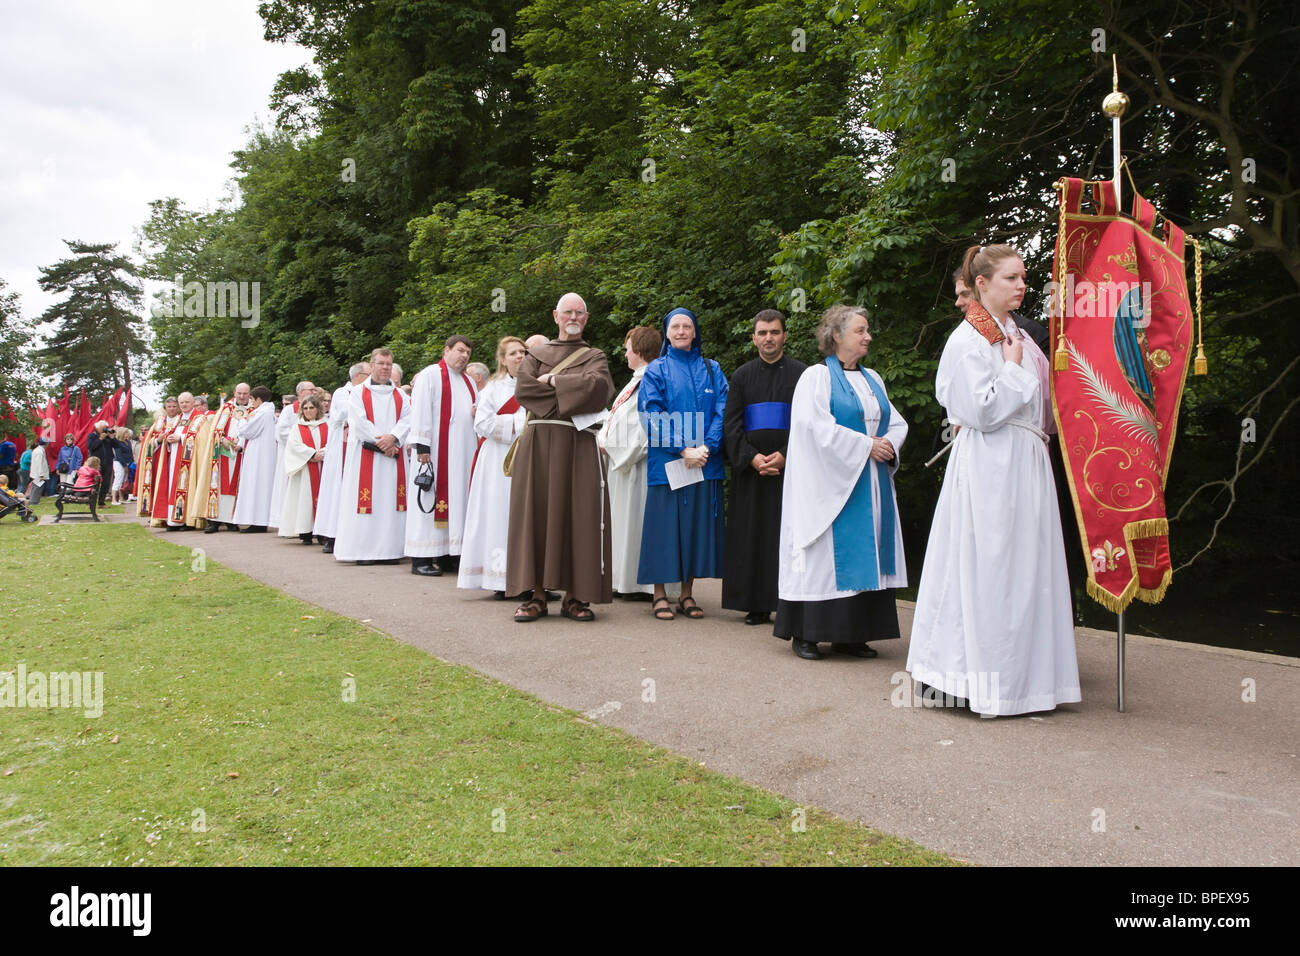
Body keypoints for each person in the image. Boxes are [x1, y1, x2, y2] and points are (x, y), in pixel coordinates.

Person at [907, 243, 1080, 715]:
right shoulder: (967, 340)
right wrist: (1014, 370)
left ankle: (1029, 680)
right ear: (981, 284)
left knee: (1028, 567)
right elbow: (980, 410)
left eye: (1024, 277)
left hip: (1025, 460)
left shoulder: (1011, 335)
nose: (1022, 285)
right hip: (991, 464)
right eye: (1011, 278)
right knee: (990, 565)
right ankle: (971, 678)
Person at [775, 306, 908, 660]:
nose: (867, 337)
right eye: (859, 331)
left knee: (868, 552)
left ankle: (853, 633)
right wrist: (866, 445)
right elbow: (811, 427)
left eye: (867, 330)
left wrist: (888, 444)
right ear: (836, 336)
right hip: (828, 485)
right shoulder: (815, 378)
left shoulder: (873, 379)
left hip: (870, 481)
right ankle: (806, 632)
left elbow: (895, 422)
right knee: (823, 557)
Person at [507, 292, 616, 622]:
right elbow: (524, 390)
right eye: (567, 311)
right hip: (538, 442)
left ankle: (576, 596)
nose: (573, 317)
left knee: (579, 515)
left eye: (579, 313)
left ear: (586, 318)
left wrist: (553, 380)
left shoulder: (595, 355)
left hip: (578, 444)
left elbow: (599, 389)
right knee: (536, 514)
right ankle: (536, 595)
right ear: (556, 316)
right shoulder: (536, 353)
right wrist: (573, 391)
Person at [637, 307, 728, 621]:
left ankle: (687, 594)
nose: (680, 331)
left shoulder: (712, 369)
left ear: (694, 331)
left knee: (694, 529)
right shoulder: (656, 370)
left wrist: (706, 447)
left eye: (686, 326)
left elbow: (722, 411)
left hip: (704, 461)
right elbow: (652, 413)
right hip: (669, 464)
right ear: (667, 333)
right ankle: (660, 594)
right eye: (675, 327)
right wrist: (682, 448)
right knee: (664, 530)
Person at [722, 309, 807, 626]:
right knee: (752, 535)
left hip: (791, 470)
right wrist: (752, 458)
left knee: (785, 536)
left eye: (774, 332)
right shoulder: (742, 376)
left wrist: (786, 455)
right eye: (762, 333)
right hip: (752, 471)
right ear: (754, 337)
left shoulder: (803, 374)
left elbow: (809, 424)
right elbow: (731, 425)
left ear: (784, 335)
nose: (768, 338)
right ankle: (754, 603)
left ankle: (787, 600)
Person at [596, 325, 663, 600]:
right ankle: (625, 579)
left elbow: (643, 427)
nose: (624, 354)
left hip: (637, 465)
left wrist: (608, 445)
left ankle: (640, 584)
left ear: (638, 350)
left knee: (636, 519)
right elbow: (618, 418)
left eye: (627, 349)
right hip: (624, 464)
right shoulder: (636, 379)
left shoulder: (651, 380)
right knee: (625, 521)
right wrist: (604, 435)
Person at [458, 336, 527, 596]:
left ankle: (531, 580)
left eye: (523, 352)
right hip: (497, 460)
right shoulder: (492, 389)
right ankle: (500, 580)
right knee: (499, 516)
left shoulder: (537, 386)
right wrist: (521, 425)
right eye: (513, 353)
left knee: (527, 516)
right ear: (502, 359)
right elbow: (482, 424)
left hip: (529, 456)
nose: (519, 357)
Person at [406, 336, 477, 576]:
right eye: (460, 350)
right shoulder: (430, 375)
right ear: (446, 350)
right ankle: (421, 557)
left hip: (462, 454)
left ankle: (450, 554)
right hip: (435, 452)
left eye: (467, 352)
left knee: (457, 503)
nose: (464, 356)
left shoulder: (469, 381)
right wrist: (422, 446)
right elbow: (421, 409)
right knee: (429, 500)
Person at [334, 349, 411, 565]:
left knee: (390, 502)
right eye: (381, 363)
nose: (385, 367)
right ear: (372, 364)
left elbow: (408, 419)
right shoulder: (358, 393)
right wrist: (384, 443)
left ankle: (391, 551)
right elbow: (358, 422)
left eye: (389, 363)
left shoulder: (400, 395)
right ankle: (364, 551)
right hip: (367, 455)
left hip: (393, 456)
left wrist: (394, 437)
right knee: (367, 502)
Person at [315, 362, 370, 553]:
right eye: (368, 374)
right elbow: (340, 416)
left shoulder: (367, 392)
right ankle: (332, 535)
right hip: (341, 450)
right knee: (337, 492)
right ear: (358, 376)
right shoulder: (342, 393)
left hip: (357, 448)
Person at [279, 392, 330, 544]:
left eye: (311, 407)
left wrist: (322, 453)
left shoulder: (327, 425)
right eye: (305, 408)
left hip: (323, 468)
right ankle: (305, 531)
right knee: (304, 499)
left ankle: (322, 531)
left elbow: (333, 443)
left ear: (318, 409)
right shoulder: (297, 427)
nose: (308, 411)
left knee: (323, 499)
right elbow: (293, 445)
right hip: (305, 469)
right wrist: (311, 454)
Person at [201, 383, 252, 532]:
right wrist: (222, 438)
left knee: (237, 486)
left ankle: (232, 519)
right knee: (218, 484)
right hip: (223, 453)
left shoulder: (253, 410)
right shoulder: (225, 409)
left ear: (249, 394)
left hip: (242, 454)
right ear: (235, 393)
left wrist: (241, 444)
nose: (242, 397)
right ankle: (214, 521)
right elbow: (214, 430)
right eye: (239, 393)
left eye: (245, 393)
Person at [231, 387, 278, 532]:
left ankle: (258, 521)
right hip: (260, 453)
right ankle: (257, 520)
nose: (251, 403)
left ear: (258, 399)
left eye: (252, 399)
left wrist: (240, 420)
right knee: (258, 485)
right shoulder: (266, 412)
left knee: (256, 485)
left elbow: (248, 431)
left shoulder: (263, 413)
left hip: (259, 455)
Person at [269, 381, 315, 530]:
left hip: (313, 456)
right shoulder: (289, 410)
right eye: (311, 390)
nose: (314, 392)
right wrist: (301, 440)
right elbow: (280, 432)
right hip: (292, 454)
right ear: (300, 393)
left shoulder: (317, 408)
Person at [26, 433, 50, 506]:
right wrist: (41, 474)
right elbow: (39, 464)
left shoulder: (38, 450)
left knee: (35, 486)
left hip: (36, 473)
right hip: (38, 473)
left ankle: (33, 500)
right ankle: (34, 501)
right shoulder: (39, 452)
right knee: (37, 487)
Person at [110, 428, 133, 504]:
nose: (128, 434)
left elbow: (130, 453)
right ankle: (113, 499)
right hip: (119, 463)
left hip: (128, 462)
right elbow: (119, 455)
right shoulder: (118, 443)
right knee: (118, 479)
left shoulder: (128, 442)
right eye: (126, 432)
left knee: (123, 480)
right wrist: (124, 466)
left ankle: (121, 497)